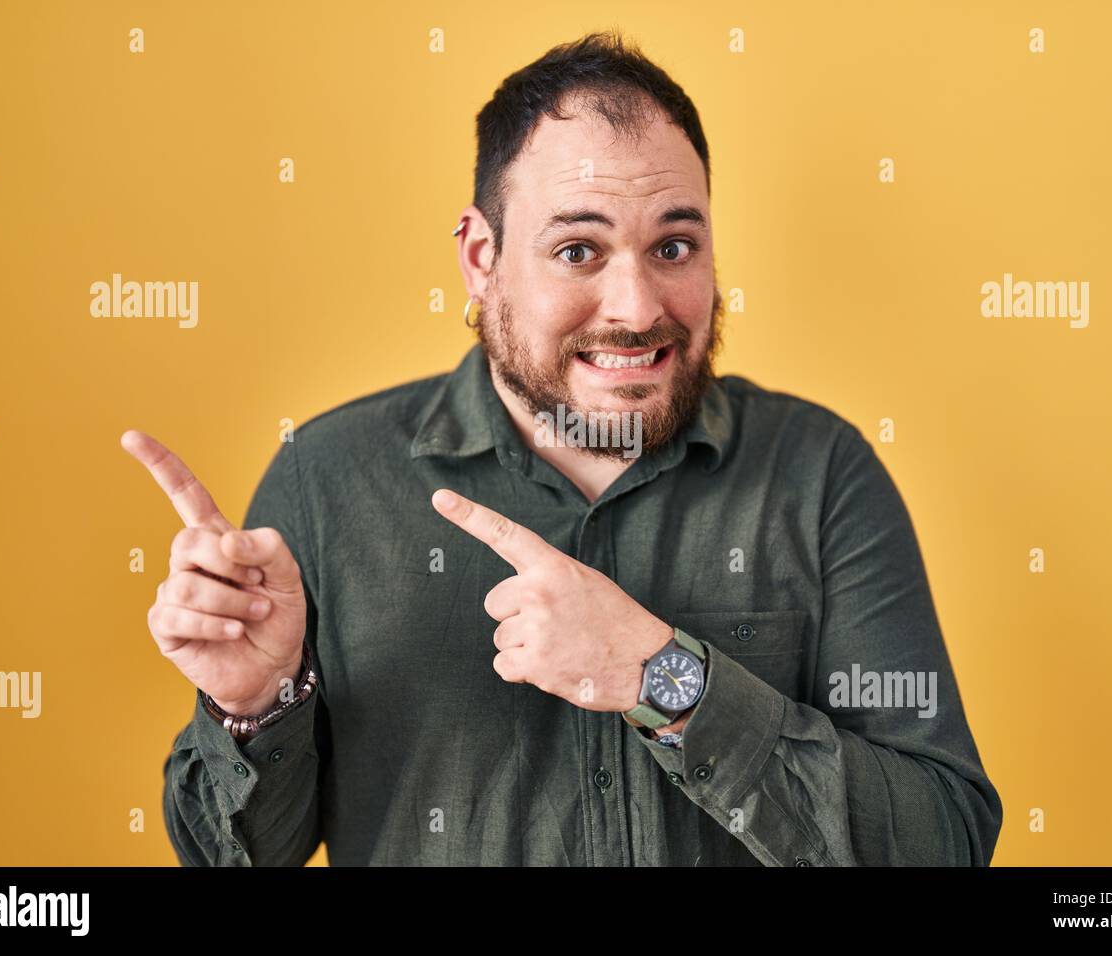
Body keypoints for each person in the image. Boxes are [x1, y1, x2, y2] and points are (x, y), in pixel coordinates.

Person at [122, 30, 1002, 866]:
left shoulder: (820, 473)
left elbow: (944, 838)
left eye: (674, 245)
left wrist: (664, 677)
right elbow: (229, 854)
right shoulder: (327, 480)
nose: (636, 306)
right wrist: (253, 707)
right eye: (579, 249)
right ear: (481, 258)